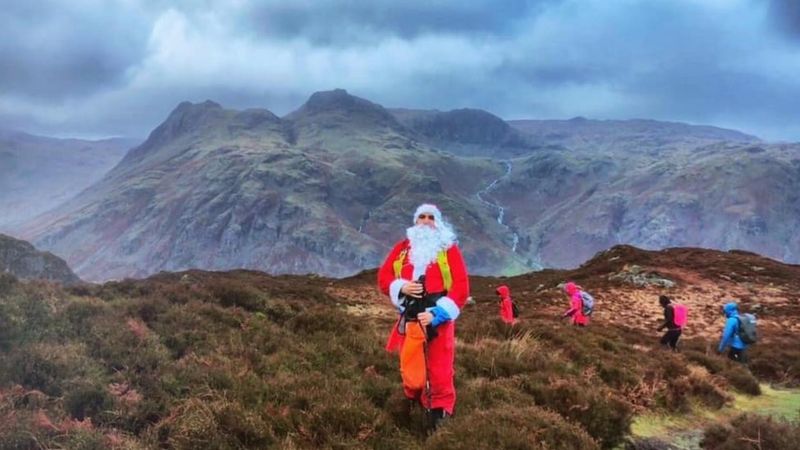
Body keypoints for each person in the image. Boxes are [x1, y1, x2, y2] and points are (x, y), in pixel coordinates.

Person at [377, 203, 469, 429]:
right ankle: (412, 401)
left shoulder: (449, 249)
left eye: (431, 217)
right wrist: (401, 287)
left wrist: (438, 314)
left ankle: (439, 417)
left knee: (440, 368)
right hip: (410, 318)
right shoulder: (402, 249)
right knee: (412, 366)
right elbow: (384, 277)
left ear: (437, 221)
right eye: (422, 217)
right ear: (415, 221)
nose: (426, 221)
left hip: (438, 319)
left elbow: (461, 287)